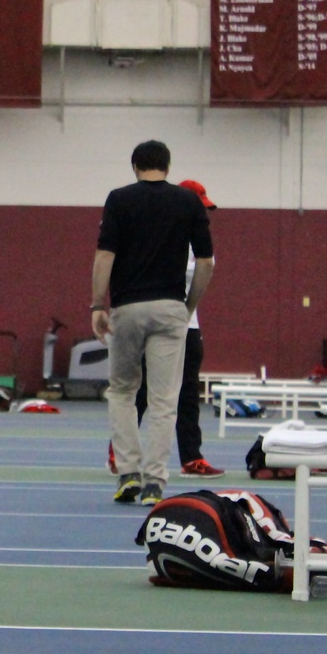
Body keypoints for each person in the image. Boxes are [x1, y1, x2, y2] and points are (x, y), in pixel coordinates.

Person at [90, 141, 215, 507]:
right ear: (168, 166)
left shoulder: (119, 199)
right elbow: (205, 263)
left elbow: (104, 255)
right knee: (164, 401)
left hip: (128, 307)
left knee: (123, 392)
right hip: (171, 309)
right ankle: (154, 484)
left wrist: (99, 304)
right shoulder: (188, 202)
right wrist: (188, 306)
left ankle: (128, 471)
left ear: (134, 166)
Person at [108, 179, 222, 479]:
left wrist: (188, 313)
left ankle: (191, 457)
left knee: (187, 392)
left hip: (186, 322)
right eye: (200, 205)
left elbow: (204, 270)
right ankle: (120, 450)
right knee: (144, 390)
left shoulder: (199, 239)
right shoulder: (161, 235)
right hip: (158, 319)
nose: (205, 214)